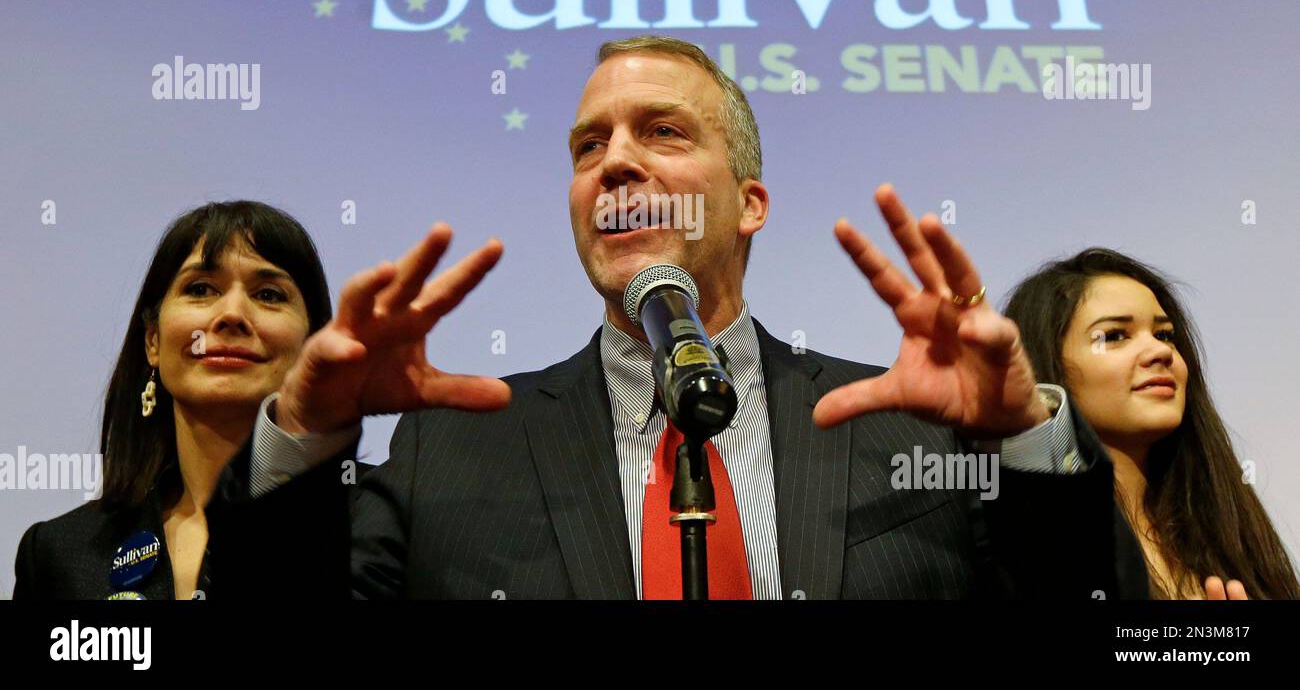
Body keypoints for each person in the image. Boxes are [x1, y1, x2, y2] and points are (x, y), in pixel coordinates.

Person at [205, 36, 1149, 599]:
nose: (615, 163)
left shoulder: (912, 431)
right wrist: (301, 438)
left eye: (662, 133)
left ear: (749, 203)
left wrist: (1024, 438)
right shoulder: (444, 451)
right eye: (588, 146)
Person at [13, 201, 332, 599]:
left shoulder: (382, 520)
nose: (232, 314)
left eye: (268, 294)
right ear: (153, 340)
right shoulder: (59, 553)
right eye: (200, 289)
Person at [1004, 247, 1300, 600]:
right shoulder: (1025, 534)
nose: (1161, 352)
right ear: (1047, 363)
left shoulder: (1226, 530)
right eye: (1114, 336)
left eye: (1164, 335)